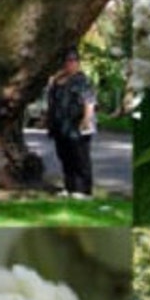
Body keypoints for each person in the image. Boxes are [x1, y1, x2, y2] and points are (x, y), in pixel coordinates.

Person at [46, 46, 96, 196]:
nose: (70, 64)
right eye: (67, 61)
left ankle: (84, 190)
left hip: (77, 124)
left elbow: (89, 101)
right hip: (61, 126)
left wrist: (87, 119)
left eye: (73, 61)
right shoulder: (58, 81)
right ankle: (70, 187)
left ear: (78, 63)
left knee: (80, 158)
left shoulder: (82, 81)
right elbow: (52, 102)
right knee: (65, 157)